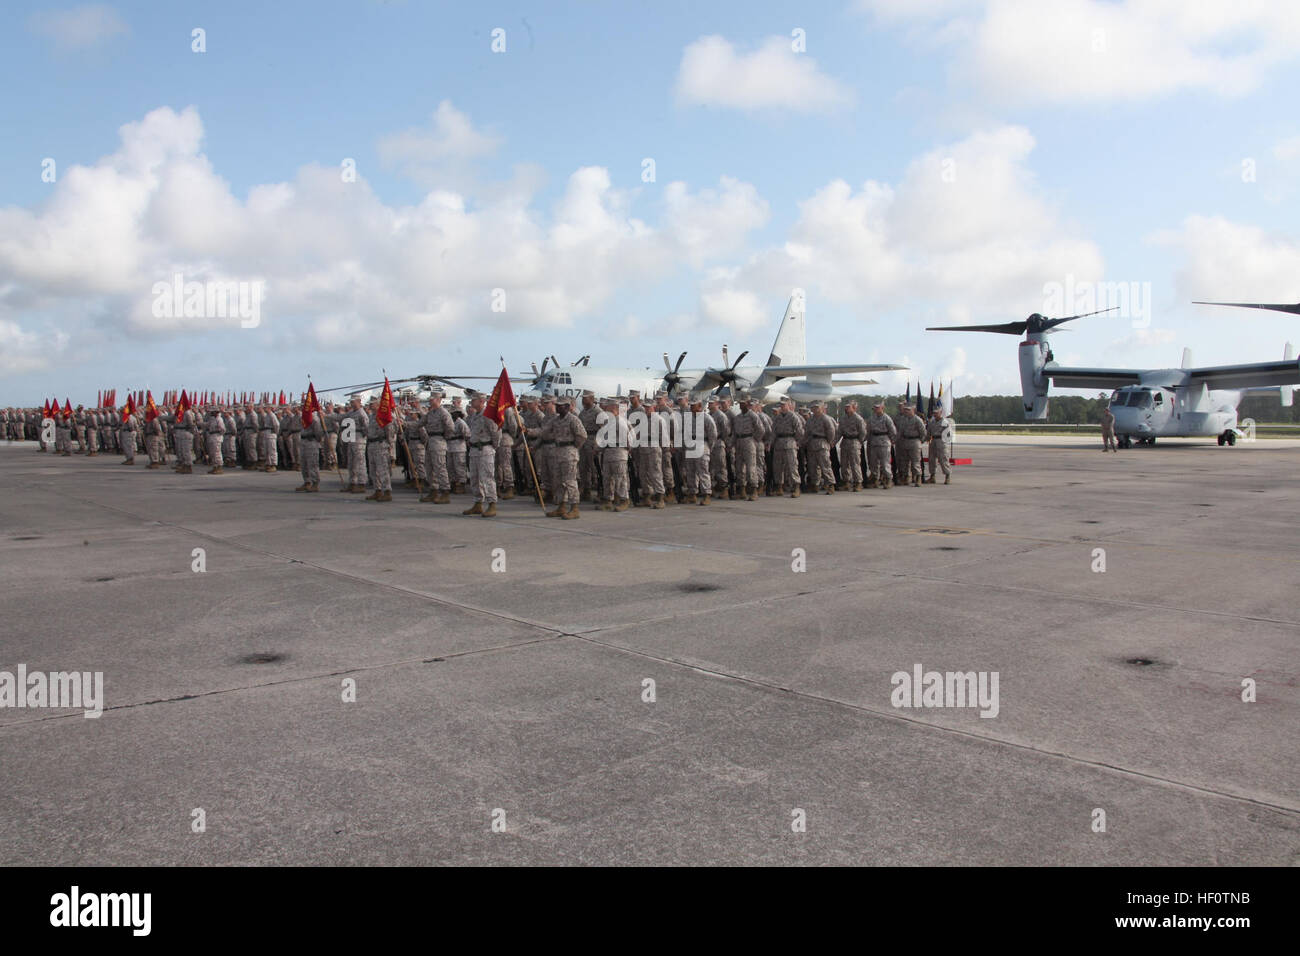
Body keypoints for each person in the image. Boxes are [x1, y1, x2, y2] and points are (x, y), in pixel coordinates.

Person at [547, 396, 587, 519]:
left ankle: (574, 508)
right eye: (557, 405)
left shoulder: (573, 420)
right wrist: (528, 431)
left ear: (567, 407)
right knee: (558, 482)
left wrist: (574, 447)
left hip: (569, 453)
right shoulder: (556, 420)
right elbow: (544, 431)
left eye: (561, 405)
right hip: (558, 452)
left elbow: (582, 436)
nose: (558, 407)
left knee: (570, 481)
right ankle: (561, 507)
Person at [462, 394, 500, 517]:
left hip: (485, 450)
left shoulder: (488, 415)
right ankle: (478, 503)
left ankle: (492, 504)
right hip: (474, 451)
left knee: (487, 478)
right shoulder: (474, 416)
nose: (471, 402)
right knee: (474, 478)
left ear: (482, 401)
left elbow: (496, 432)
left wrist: (492, 446)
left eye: (474, 400)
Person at [771, 397, 804, 497]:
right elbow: (774, 431)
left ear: (789, 405)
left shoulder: (793, 417)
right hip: (779, 443)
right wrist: (771, 443)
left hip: (790, 442)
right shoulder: (777, 418)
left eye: (784, 405)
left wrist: (797, 442)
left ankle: (796, 487)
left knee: (792, 465)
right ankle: (779, 487)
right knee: (778, 467)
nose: (782, 407)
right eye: (781, 405)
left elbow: (799, 431)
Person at [866, 401, 896, 489]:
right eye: (875, 408)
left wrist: (893, 441)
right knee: (873, 463)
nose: (875, 409)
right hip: (874, 442)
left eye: (877, 407)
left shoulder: (887, 418)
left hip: (884, 442)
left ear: (882, 408)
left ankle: (888, 479)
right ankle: (875, 479)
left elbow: (892, 431)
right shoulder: (871, 418)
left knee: (885, 463)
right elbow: (868, 430)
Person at [895, 403, 926, 487]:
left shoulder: (918, 420)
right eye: (905, 410)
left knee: (915, 461)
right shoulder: (903, 420)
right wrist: (896, 440)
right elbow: (900, 432)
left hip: (914, 441)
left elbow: (923, 432)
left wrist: (920, 441)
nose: (906, 411)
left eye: (908, 410)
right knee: (904, 461)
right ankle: (906, 478)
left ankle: (918, 477)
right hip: (905, 441)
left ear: (913, 410)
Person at [838, 400, 867, 491]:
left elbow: (863, 432)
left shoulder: (858, 419)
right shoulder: (843, 419)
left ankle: (858, 482)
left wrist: (859, 442)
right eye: (846, 407)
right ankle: (846, 482)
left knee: (855, 464)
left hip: (854, 442)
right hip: (845, 442)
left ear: (854, 408)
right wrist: (834, 441)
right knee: (844, 464)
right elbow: (839, 432)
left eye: (848, 407)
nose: (846, 408)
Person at [925, 405, 954, 484]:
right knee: (931, 459)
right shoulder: (932, 421)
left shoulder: (945, 422)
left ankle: (947, 476)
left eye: (936, 413)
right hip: (933, 440)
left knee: (943, 459)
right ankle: (932, 476)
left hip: (941, 441)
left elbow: (949, 433)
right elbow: (928, 432)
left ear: (941, 413)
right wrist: (926, 439)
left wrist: (946, 441)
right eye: (934, 413)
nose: (935, 414)